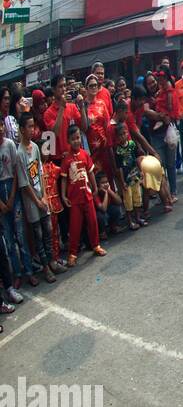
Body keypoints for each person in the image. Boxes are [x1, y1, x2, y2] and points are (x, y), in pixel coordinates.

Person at [17, 114, 59, 283]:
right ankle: (45, 267)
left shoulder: (35, 147)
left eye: (33, 126)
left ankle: (52, 261)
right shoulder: (20, 153)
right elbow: (24, 183)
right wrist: (37, 201)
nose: (32, 129)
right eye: (28, 126)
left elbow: (40, 173)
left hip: (41, 196)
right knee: (38, 234)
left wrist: (45, 195)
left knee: (48, 230)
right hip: (31, 201)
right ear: (21, 129)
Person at [59, 123, 106, 264]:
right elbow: (64, 179)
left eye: (78, 138)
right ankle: (72, 254)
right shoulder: (66, 159)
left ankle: (96, 245)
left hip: (87, 195)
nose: (76, 141)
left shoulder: (85, 154)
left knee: (92, 222)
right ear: (68, 140)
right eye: (73, 139)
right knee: (75, 227)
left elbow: (90, 172)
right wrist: (63, 196)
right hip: (74, 199)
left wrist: (94, 187)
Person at [0, 122, 35, 287]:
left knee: (20, 234)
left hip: (12, 189)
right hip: (0, 194)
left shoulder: (9, 144)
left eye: (0, 125)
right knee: (8, 237)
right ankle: (18, 273)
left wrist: (13, 196)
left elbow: (15, 172)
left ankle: (29, 270)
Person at [112, 122, 146, 230]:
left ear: (127, 133)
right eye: (120, 135)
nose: (123, 136)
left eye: (124, 133)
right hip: (126, 179)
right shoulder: (118, 150)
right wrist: (122, 182)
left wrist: (141, 172)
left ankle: (138, 218)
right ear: (117, 137)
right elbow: (119, 168)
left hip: (135, 176)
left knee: (137, 198)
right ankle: (130, 221)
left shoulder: (132, 144)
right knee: (128, 201)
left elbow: (137, 159)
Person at [41, 75, 83, 159]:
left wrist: (82, 107)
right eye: (60, 86)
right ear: (53, 89)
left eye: (64, 85)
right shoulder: (48, 113)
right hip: (59, 158)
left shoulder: (72, 107)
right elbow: (55, 133)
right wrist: (62, 108)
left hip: (76, 154)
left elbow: (84, 127)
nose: (64, 89)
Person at [95, 172, 125, 238]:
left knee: (116, 209)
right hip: (98, 212)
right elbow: (103, 209)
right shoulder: (96, 193)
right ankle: (102, 232)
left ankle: (113, 227)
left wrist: (109, 191)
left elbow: (120, 201)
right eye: (102, 183)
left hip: (108, 209)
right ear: (98, 184)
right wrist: (106, 193)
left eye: (106, 182)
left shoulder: (109, 189)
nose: (105, 184)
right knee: (101, 216)